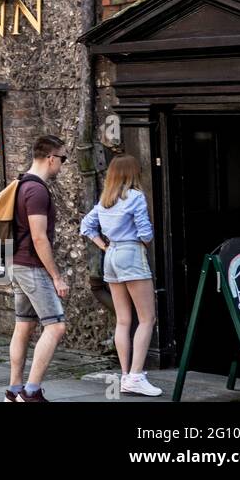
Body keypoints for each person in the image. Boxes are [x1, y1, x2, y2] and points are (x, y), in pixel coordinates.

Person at [80, 154, 161, 397]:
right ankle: (136, 376)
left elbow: (86, 226)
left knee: (124, 320)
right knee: (147, 319)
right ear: (132, 173)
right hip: (130, 253)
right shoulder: (135, 197)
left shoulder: (106, 200)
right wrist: (140, 246)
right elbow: (146, 232)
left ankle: (126, 376)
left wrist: (104, 246)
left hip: (112, 256)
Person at [6, 135, 69, 403]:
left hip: (17, 264)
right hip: (32, 267)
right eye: (63, 159)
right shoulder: (37, 190)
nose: (62, 166)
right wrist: (56, 276)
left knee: (24, 325)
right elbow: (39, 237)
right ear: (51, 158)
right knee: (56, 327)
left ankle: (14, 390)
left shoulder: (21, 184)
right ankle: (31, 393)